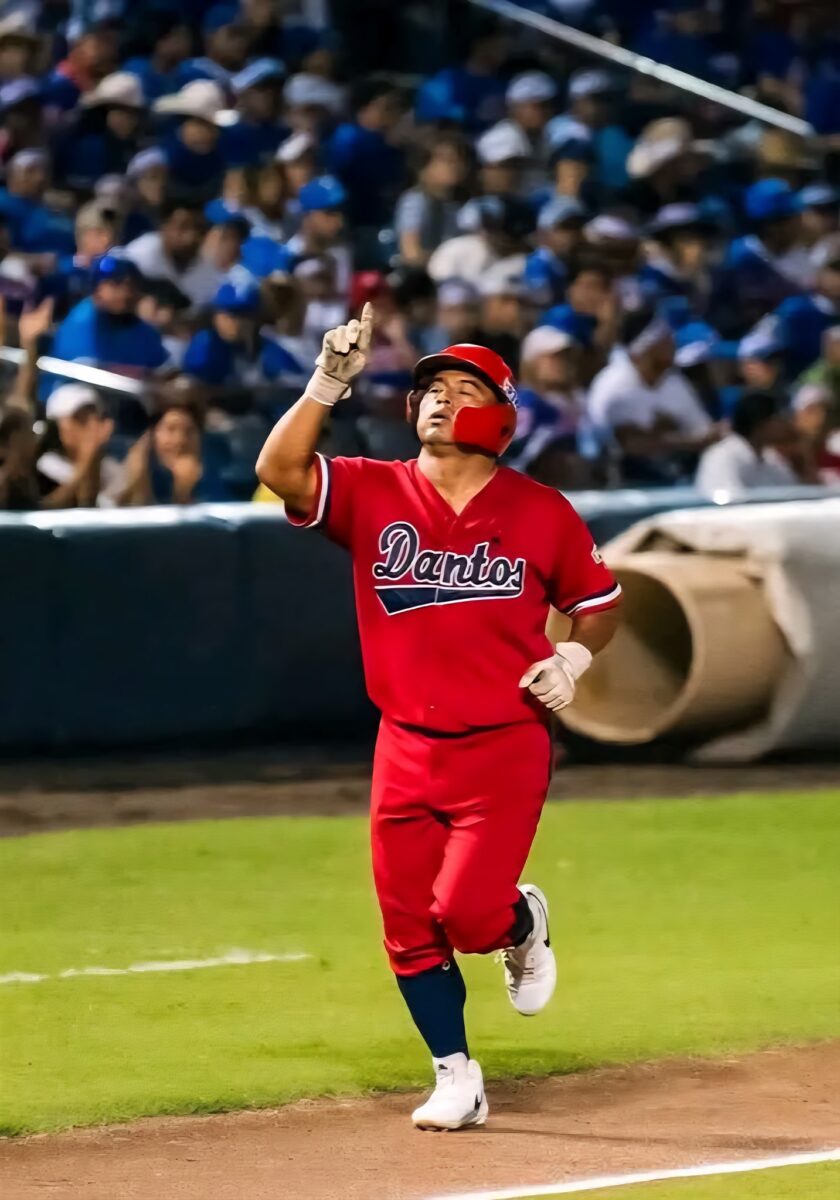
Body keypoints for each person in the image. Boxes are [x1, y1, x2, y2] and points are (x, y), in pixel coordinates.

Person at [255, 306, 622, 1131]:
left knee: (464, 914)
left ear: (501, 413)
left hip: (502, 745)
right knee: (407, 924)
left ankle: (520, 918)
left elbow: (600, 604)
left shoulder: (541, 511)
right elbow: (279, 468)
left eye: (463, 390)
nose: (439, 401)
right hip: (404, 746)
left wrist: (573, 657)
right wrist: (327, 383)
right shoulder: (372, 487)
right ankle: (455, 1072)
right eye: (429, 388)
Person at [587, 304, 717, 484]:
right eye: (664, 339)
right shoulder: (613, 385)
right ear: (645, 348)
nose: (673, 342)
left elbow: (704, 432)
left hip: (677, 477)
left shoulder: (673, 381)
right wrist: (681, 439)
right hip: (620, 482)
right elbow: (631, 445)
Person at [50, 255, 169, 385]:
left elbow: (161, 368)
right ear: (96, 290)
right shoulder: (81, 322)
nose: (125, 292)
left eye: (130, 285)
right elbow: (83, 375)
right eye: (115, 284)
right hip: (81, 394)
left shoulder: (141, 328)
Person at [509, 323, 591, 487]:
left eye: (567, 357)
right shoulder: (523, 404)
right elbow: (515, 458)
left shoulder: (580, 399)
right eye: (554, 357)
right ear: (532, 361)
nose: (563, 363)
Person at [116, 391, 230, 505]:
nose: (179, 440)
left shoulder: (212, 473)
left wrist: (186, 492)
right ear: (154, 433)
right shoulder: (132, 471)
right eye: (171, 429)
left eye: (189, 431)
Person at [325, 77, 405, 229]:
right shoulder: (347, 138)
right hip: (351, 224)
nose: (394, 114)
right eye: (387, 107)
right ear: (363, 109)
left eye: (397, 107)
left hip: (381, 223)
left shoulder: (391, 147)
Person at [695, 389, 801, 497]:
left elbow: (794, 495)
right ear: (762, 424)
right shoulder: (721, 456)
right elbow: (726, 507)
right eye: (779, 418)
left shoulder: (771, 458)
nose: (787, 423)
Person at [123, 197, 223, 307]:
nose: (191, 237)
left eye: (199, 229)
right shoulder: (141, 253)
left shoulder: (209, 270)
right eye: (182, 227)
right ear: (163, 227)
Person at [35, 383, 121, 508]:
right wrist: (88, 455)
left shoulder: (109, 467)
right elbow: (47, 508)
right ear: (57, 426)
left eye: (95, 417)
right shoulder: (46, 467)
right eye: (81, 419)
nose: (92, 425)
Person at [394, 137, 471, 267]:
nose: (455, 166)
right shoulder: (414, 201)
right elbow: (411, 252)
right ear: (424, 167)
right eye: (446, 161)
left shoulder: (461, 205)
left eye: (459, 161)